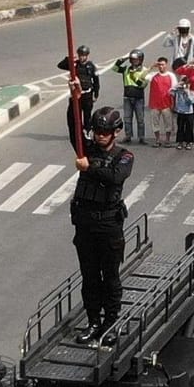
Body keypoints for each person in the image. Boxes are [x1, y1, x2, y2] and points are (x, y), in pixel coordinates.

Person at [69, 107, 134, 343]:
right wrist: (75, 97)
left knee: (110, 277)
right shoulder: (87, 150)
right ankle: (93, 321)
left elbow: (115, 177)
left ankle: (111, 323)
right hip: (85, 223)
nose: (100, 135)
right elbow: (73, 126)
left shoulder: (124, 156)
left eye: (105, 131)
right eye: (97, 131)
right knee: (89, 277)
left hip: (108, 224)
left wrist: (90, 167)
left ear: (116, 132)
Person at [57, 45, 100, 151]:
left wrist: (96, 94)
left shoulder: (91, 66)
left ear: (87, 56)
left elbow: (96, 81)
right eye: (80, 55)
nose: (82, 58)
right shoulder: (74, 65)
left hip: (87, 93)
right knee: (75, 114)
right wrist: (69, 58)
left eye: (84, 56)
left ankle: (87, 131)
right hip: (76, 94)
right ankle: (78, 132)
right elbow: (60, 65)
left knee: (87, 114)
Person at [114, 48, 148, 143]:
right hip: (127, 97)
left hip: (138, 98)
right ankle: (128, 136)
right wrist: (123, 59)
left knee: (140, 119)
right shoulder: (126, 69)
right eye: (132, 59)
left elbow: (143, 84)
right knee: (127, 118)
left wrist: (133, 77)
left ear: (140, 60)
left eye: (136, 59)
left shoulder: (144, 70)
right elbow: (115, 68)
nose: (134, 61)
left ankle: (141, 137)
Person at [147, 57, 177, 147]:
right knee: (155, 123)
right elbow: (142, 76)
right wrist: (151, 66)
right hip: (154, 104)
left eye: (163, 64)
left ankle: (167, 140)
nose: (161, 66)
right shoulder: (153, 75)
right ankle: (157, 140)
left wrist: (173, 104)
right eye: (159, 64)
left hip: (166, 104)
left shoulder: (171, 76)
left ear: (166, 65)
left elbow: (174, 90)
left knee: (168, 123)